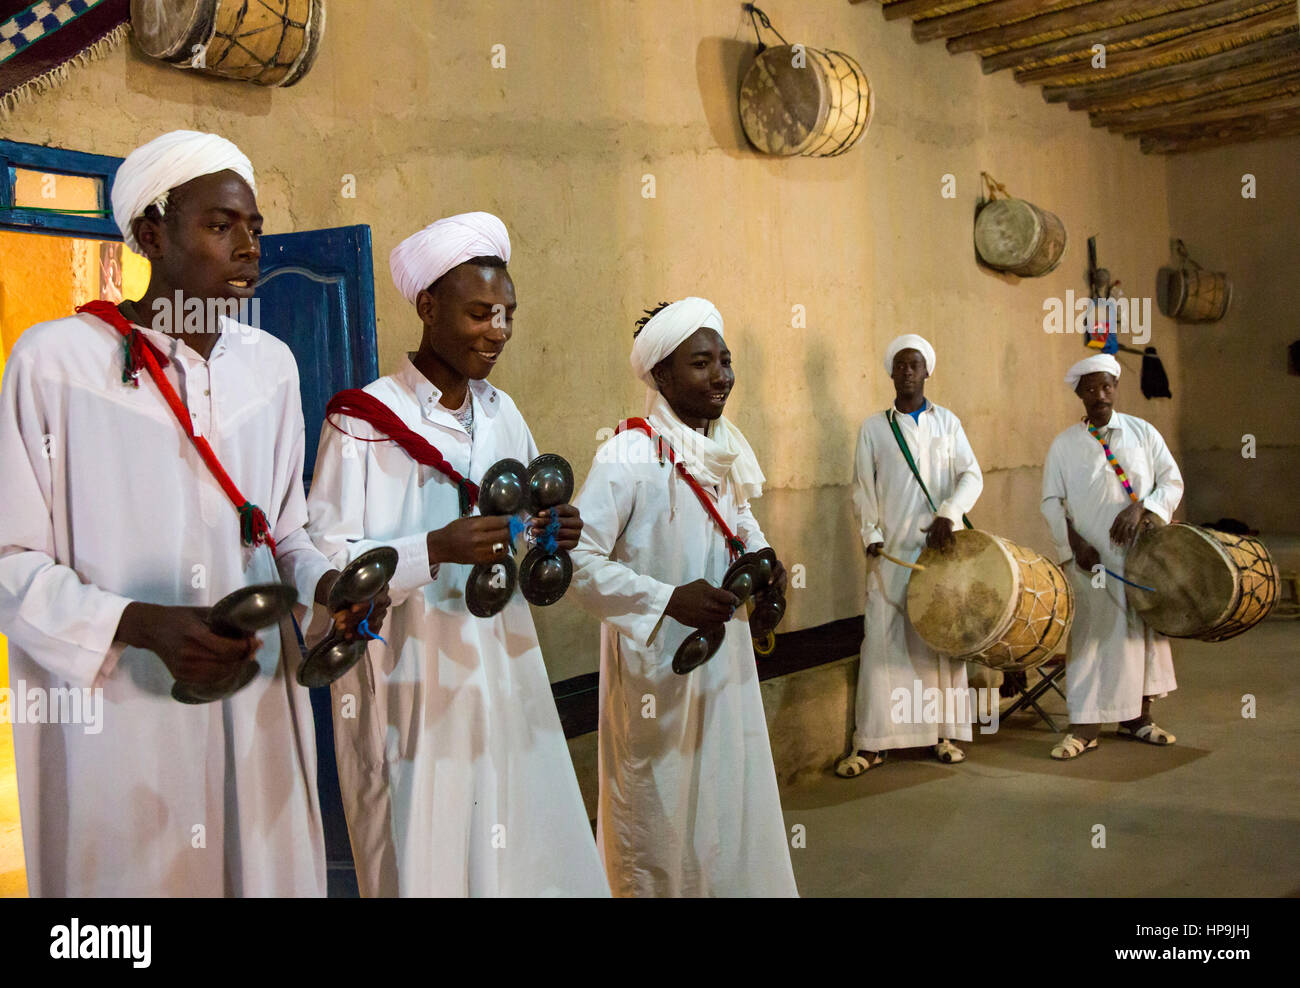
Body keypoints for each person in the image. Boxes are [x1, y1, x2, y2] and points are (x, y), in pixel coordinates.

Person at [0, 130, 382, 896]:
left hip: (255, 691)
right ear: (151, 233)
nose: (248, 247)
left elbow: (284, 530)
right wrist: (138, 624)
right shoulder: (54, 364)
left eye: (255, 229)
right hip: (123, 707)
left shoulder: (268, 366)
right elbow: (11, 564)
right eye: (220, 225)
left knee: (262, 869)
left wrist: (327, 586)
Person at [306, 211, 608, 897]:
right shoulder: (362, 421)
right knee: (425, 854)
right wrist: (430, 550)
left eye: (507, 314)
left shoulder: (503, 413)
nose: (497, 331)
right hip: (412, 684)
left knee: (518, 849)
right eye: (479, 313)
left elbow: (531, 526)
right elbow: (322, 562)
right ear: (428, 307)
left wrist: (554, 528)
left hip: (501, 670)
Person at [567, 296, 797, 897]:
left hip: (726, 664)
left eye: (724, 359)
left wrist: (768, 578)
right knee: (659, 819)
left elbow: (743, 526)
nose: (721, 374)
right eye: (701, 363)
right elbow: (576, 563)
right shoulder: (626, 455)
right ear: (661, 375)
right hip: (657, 673)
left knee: (728, 805)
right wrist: (667, 600)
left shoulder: (725, 448)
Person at [836, 334, 984, 778]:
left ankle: (943, 734)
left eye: (914, 365)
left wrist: (950, 512)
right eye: (899, 365)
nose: (906, 372)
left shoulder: (948, 424)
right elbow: (863, 488)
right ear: (891, 373)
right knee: (883, 641)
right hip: (892, 555)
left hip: (940, 552)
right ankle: (875, 743)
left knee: (939, 637)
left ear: (927, 372)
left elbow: (971, 476)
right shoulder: (874, 428)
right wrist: (871, 534)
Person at [1041, 353, 1184, 760]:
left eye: (1106, 386)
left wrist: (1143, 509)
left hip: (1139, 555)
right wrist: (1073, 546)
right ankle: (1084, 725)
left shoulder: (1142, 433)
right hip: (1092, 562)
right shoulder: (1065, 445)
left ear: (1115, 389)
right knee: (1091, 637)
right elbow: (1052, 502)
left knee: (1140, 632)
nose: (1099, 395)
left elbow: (1171, 481)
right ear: (1080, 394)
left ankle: (1138, 717)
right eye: (1090, 388)